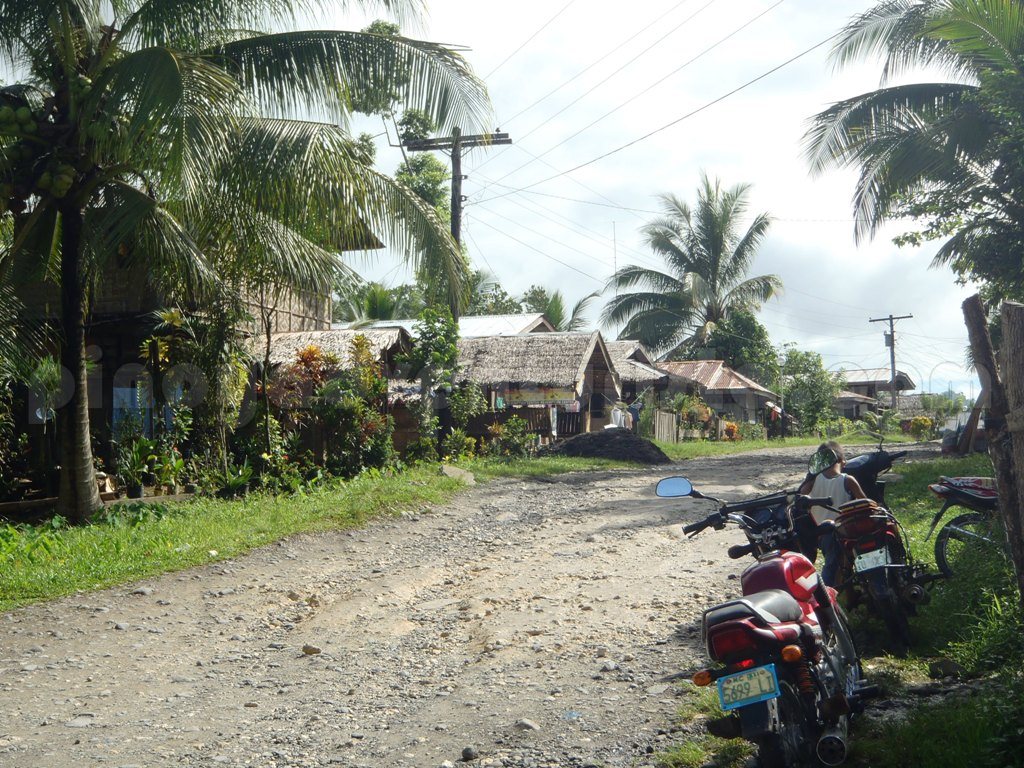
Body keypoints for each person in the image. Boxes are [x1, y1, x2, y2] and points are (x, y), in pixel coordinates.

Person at [797, 441, 867, 587]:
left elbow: (799, 498)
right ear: (842, 462)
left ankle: (840, 590)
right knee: (833, 566)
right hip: (846, 530)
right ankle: (826, 595)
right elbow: (865, 504)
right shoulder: (848, 480)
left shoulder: (812, 482)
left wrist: (810, 477)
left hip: (822, 534)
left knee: (833, 562)